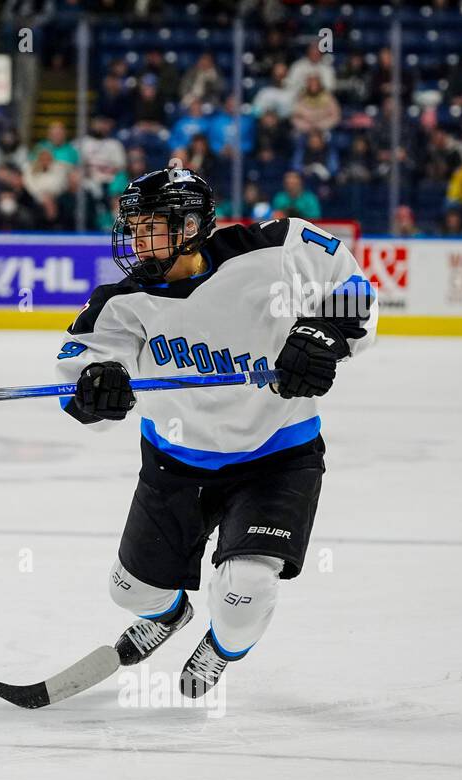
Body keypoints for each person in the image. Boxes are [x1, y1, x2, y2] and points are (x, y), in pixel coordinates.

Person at [53, 166, 376, 697]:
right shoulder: (121, 303)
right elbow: (79, 367)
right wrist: (94, 386)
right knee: (129, 591)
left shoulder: (275, 248)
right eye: (132, 226)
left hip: (278, 457)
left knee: (244, 591)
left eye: (151, 226)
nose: (136, 239)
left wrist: (325, 334)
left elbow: (348, 283)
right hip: (176, 463)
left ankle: (221, 649)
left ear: (191, 226)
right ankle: (170, 613)